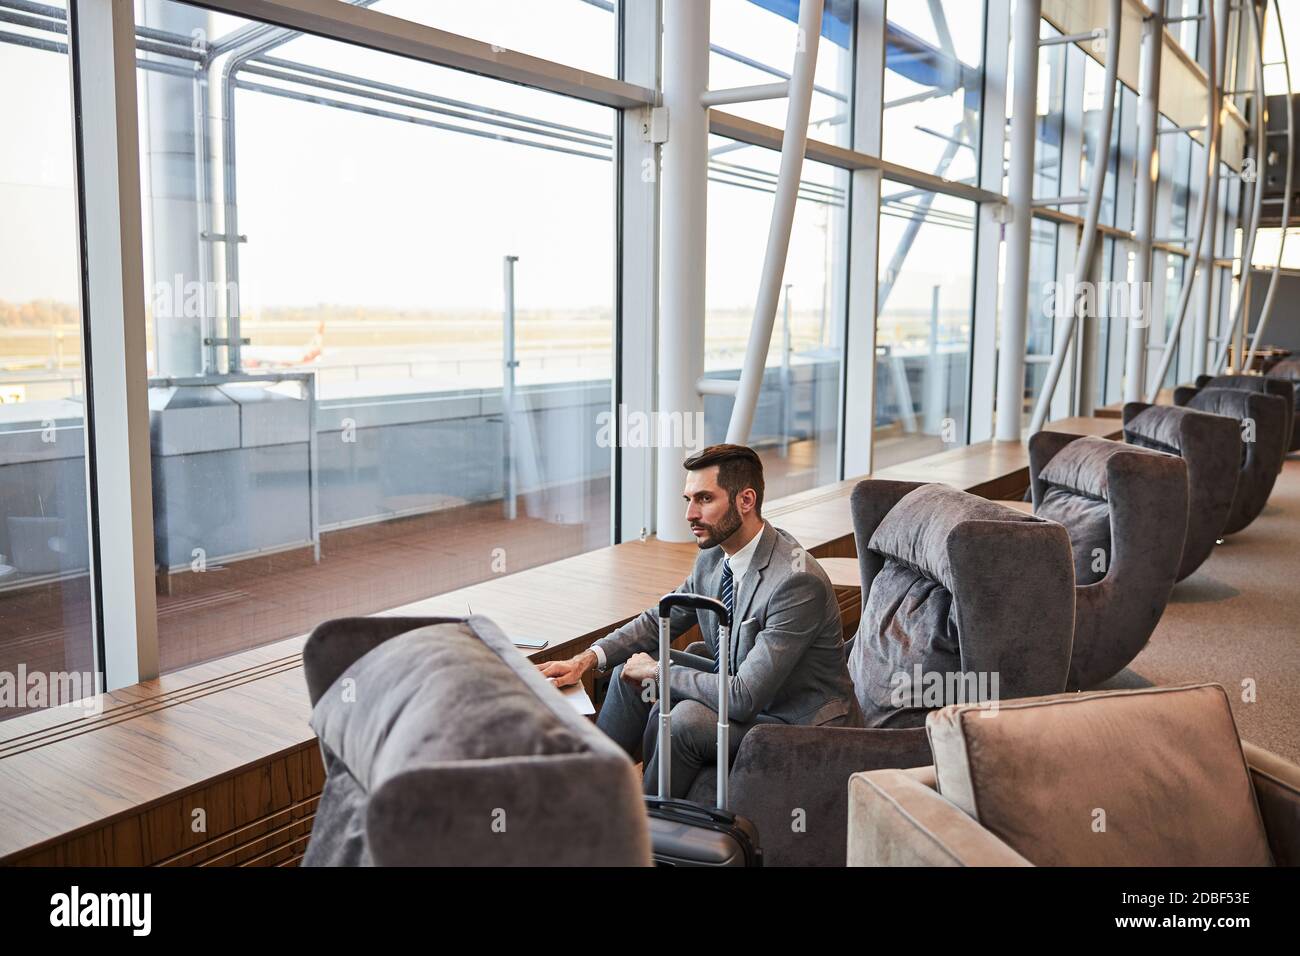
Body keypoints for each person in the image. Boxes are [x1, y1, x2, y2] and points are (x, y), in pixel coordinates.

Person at [538, 443, 863, 798]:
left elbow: (742, 698)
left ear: (746, 500)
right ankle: (587, 794)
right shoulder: (714, 557)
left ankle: (649, 835)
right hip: (744, 689)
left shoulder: (796, 581)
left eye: (705, 499)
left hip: (794, 720)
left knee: (684, 721)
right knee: (626, 673)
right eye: (688, 499)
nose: (690, 514)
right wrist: (584, 660)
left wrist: (660, 672)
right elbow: (658, 620)